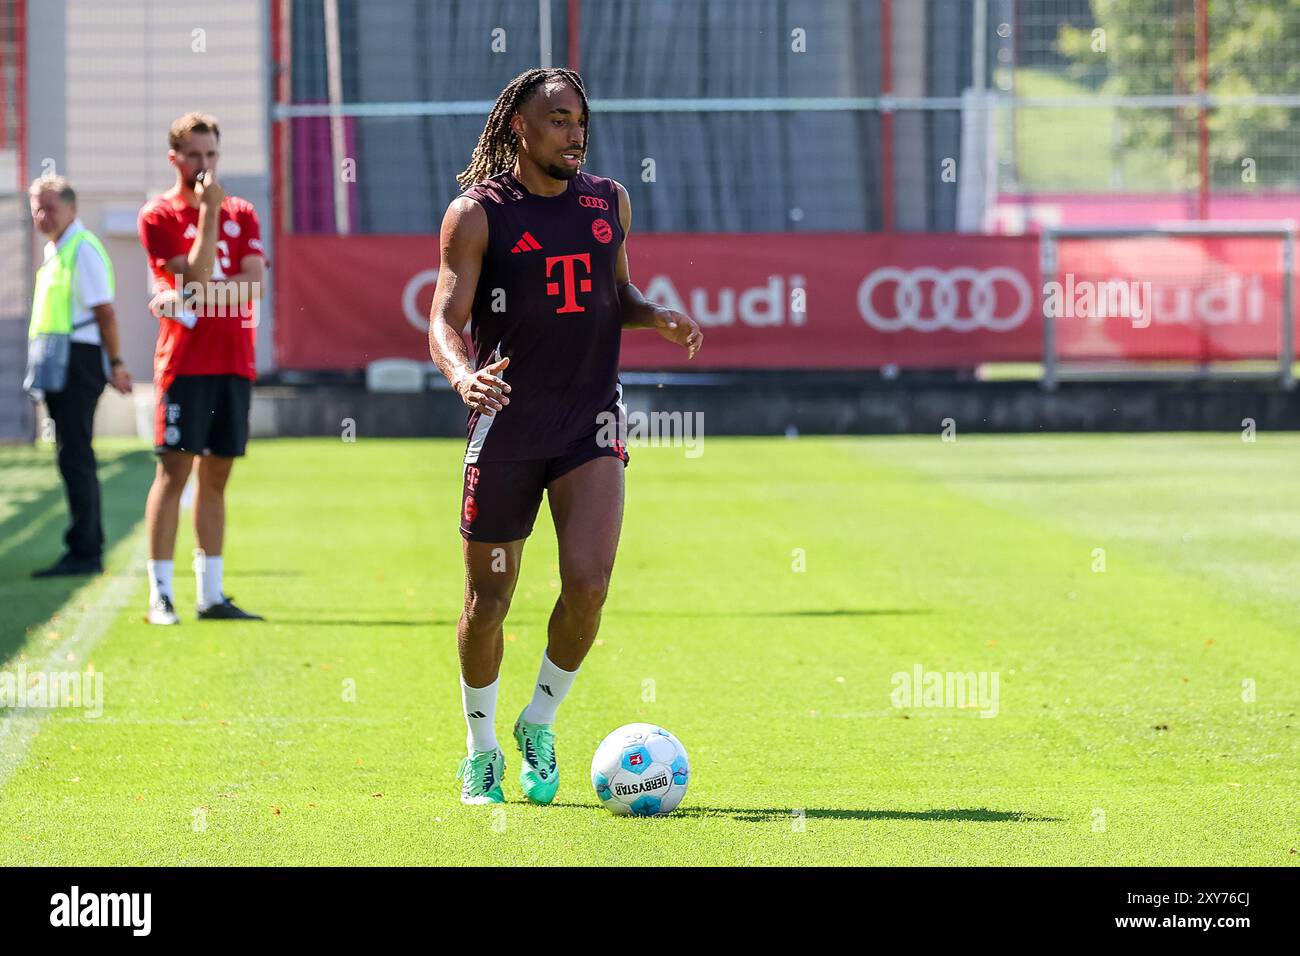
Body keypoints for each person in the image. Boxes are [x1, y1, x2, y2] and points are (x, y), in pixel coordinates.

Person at [428, 69, 703, 805]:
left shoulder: (608, 201)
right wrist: (462, 376)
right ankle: (481, 748)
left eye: (579, 118)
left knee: (588, 586)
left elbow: (617, 292)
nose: (574, 131)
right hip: (507, 423)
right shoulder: (478, 213)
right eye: (557, 119)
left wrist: (655, 316)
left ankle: (537, 723)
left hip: (591, 422)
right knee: (489, 602)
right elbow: (444, 322)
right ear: (518, 126)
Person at [136, 112, 266, 624]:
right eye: (194, 155)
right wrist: (208, 220)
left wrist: (194, 295)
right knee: (173, 473)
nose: (204, 164)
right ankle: (160, 595)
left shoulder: (245, 211)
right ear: (174, 159)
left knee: (217, 477)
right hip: (184, 366)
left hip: (234, 363)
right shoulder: (158, 216)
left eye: (211, 154)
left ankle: (211, 594)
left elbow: (251, 286)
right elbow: (200, 273)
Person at [25, 175, 132, 578]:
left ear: (72, 209)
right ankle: (84, 546)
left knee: (77, 456)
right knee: (72, 455)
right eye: (37, 207)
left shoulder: (81, 249)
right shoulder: (59, 249)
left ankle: (85, 550)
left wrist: (115, 362)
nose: (42, 215)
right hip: (62, 360)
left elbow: (105, 313)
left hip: (77, 361)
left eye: (50, 207)